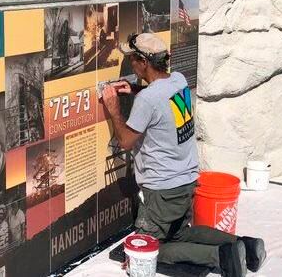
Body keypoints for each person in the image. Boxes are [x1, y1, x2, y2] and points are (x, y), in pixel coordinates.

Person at [100, 33, 266, 277]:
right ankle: (246, 246)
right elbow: (161, 100)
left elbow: (125, 141)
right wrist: (135, 88)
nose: (131, 64)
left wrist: (114, 109)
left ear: (143, 62)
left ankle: (221, 256)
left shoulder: (147, 99)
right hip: (186, 182)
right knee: (180, 233)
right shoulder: (178, 79)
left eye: (132, 59)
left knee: (149, 250)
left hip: (162, 191)